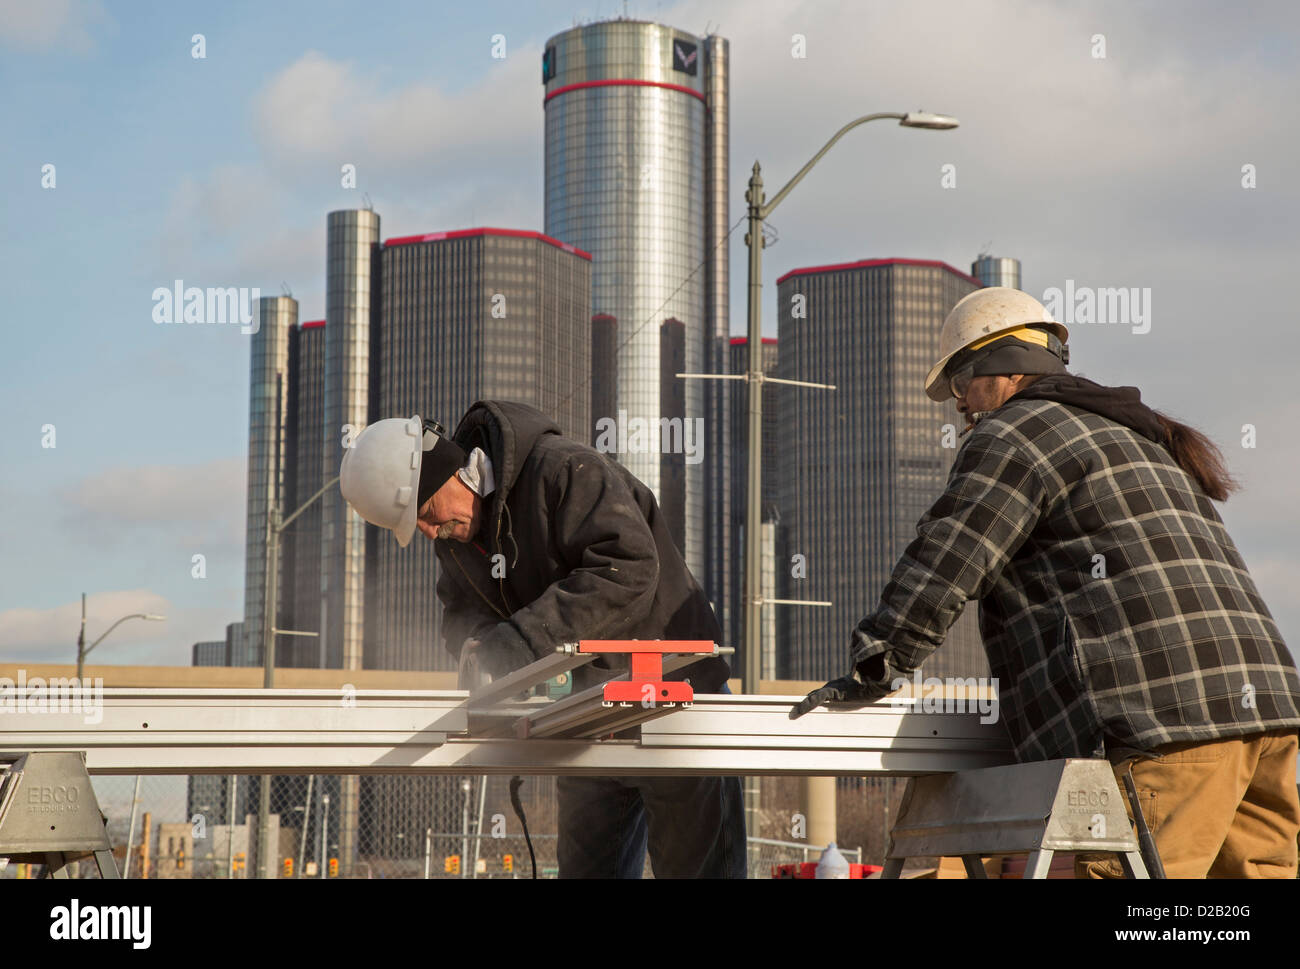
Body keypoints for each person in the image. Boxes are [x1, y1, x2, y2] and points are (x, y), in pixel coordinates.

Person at [792, 287, 1300, 878]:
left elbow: (949, 557)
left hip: (1168, 725)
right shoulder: (1137, 438)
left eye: (960, 385)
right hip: (1267, 716)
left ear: (999, 367)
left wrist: (875, 665)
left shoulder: (1016, 431)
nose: (959, 406)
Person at [340, 399, 746, 878]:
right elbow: (460, 614)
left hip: (675, 700)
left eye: (427, 512)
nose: (430, 533)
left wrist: (517, 644)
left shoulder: (563, 471)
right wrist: (481, 650)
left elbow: (629, 567)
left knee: (696, 869)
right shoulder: (458, 539)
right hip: (586, 713)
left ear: (450, 472)